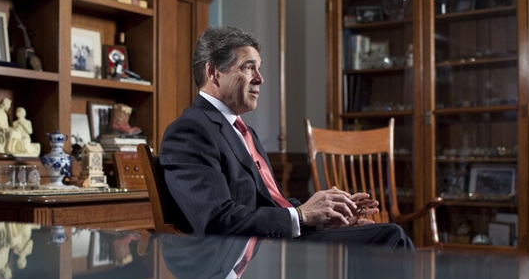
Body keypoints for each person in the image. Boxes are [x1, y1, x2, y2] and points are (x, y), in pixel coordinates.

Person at [160, 25, 414, 249]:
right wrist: (303, 215)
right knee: (391, 236)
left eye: (259, 68)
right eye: (249, 68)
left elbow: (271, 204)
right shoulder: (190, 130)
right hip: (251, 257)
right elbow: (215, 220)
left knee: (380, 235)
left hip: (277, 244)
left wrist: (324, 218)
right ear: (213, 72)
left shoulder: (241, 130)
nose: (260, 78)